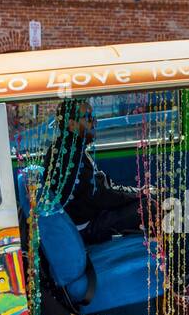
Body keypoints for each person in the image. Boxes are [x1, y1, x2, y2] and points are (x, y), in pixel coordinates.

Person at [46, 99, 142, 244]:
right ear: (72, 124)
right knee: (155, 204)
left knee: (150, 200)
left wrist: (138, 192)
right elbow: (100, 196)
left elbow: (104, 187)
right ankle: (173, 260)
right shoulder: (68, 155)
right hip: (85, 228)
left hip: (92, 217)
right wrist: (137, 195)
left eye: (94, 118)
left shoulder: (73, 149)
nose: (94, 123)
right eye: (89, 118)